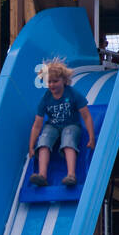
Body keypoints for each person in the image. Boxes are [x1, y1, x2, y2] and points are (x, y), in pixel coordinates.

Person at [28, 58, 95, 187]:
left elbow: (86, 116)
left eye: (55, 81)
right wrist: (31, 147)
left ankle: (71, 175)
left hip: (71, 124)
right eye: (49, 82)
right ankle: (42, 175)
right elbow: (37, 124)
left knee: (68, 140)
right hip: (52, 126)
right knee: (43, 142)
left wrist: (91, 137)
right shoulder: (45, 98)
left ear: (64, 80)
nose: (52, 85)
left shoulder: (73, 94)